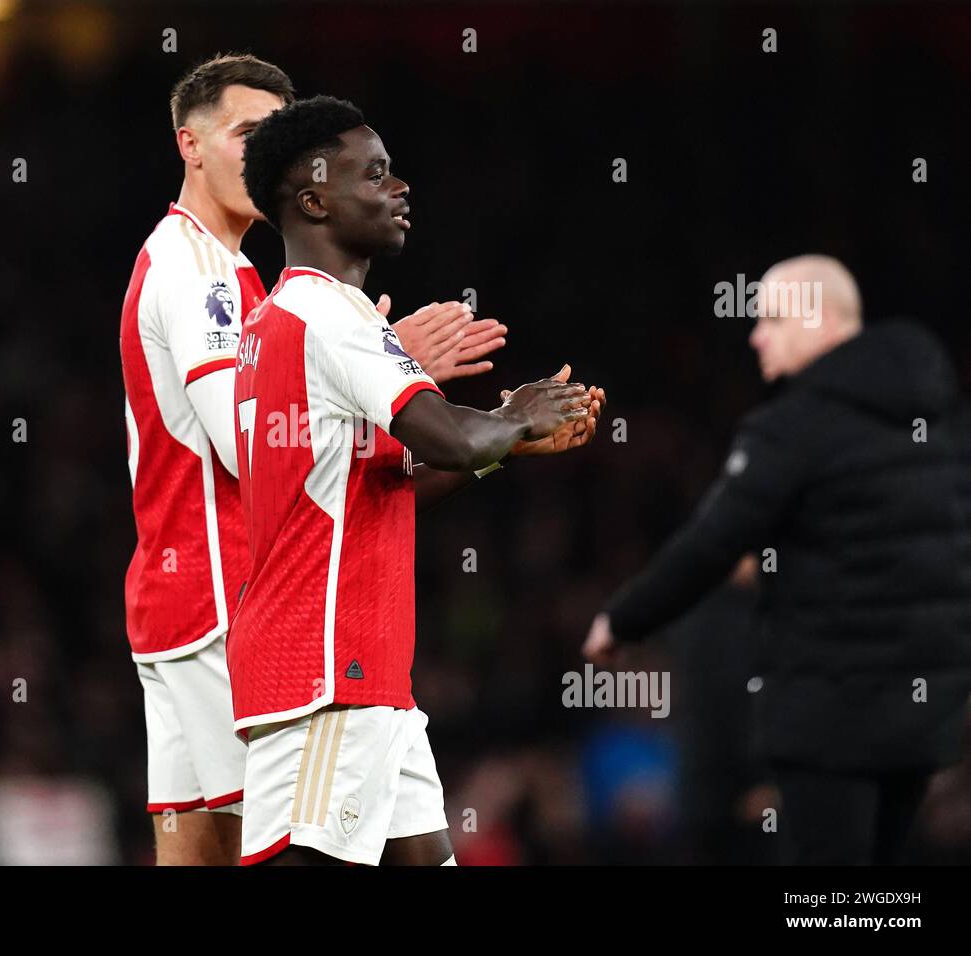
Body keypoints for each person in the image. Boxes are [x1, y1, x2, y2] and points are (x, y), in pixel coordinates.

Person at [120, 56, 508, 865]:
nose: (262, 150)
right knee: (258, 845)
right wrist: (386, 363)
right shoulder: (204, 276)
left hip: (182, 600)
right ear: (189, 144)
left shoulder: (233, 277)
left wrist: (373, 367)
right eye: (244, 133)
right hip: (234, 597)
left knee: (195, 848)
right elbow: (249, 444)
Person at [233, 95, 605, 865]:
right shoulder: (331, 318)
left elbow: (389, 478)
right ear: (313, 196)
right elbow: (446, 438)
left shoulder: (275, 326)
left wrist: (504, 441)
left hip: (368, 680)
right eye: (374, 174)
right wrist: (518, 414)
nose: (398, 188)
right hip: (325, 677)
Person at [585, 254, 971, 864]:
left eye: (770, 319)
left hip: (829, 709)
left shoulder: (794, 426)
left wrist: (624, 618)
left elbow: (713, 542)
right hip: (920, 717)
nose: (756, 334)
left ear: (816, 319)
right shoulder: (938, 417)